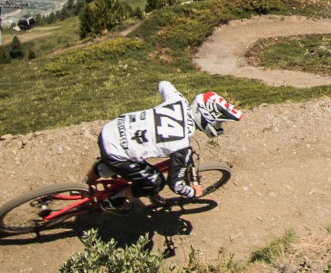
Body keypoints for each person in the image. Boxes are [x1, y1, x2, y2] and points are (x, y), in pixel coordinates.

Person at [91, 80, 242, 207]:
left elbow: (163, 83)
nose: (220, 126)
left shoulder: (178, 100)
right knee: (155, 182)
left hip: (110, 130)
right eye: (219, 122)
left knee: (122, 156)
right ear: (208, 119)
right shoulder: (182, 145)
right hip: (116, 153)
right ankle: (116, 199)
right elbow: (175, 185)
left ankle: (87, 182)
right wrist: (193, 192)